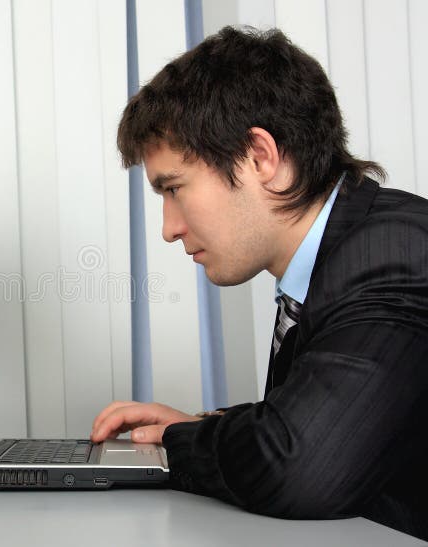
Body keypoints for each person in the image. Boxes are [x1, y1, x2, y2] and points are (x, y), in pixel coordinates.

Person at [90, 26, 428, 540]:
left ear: (260, 157)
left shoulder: (393, 254)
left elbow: (301, 466)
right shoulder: (336, 256)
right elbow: (314, 425)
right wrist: (201, 430)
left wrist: (183, 442)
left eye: (175, 188)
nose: (168, 228)